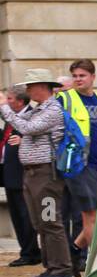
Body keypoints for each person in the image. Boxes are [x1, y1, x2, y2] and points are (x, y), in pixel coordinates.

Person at [0, 69, 74, 277]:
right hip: (33, 174)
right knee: (39, 222)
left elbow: (26, 128)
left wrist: (5, 106)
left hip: (46, 175)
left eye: (30, 86)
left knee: (50, 221)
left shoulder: (53, 110)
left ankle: (61, 270)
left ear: (42, 87)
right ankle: (51, 267)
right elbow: (21, 120)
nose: (27, 90)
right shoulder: (39, 109)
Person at [57, 59, 97, 258]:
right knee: (91, 217)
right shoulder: (65, 99)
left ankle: (73, 252)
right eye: (74, 76)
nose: (77, 79)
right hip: (80, 165)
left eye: (82, 75)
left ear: (93, 77)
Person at [2, 85, 42, 267]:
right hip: (9, 173)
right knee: (17, 215)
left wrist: (23, 140)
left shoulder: (31, 115)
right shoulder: (12, 117)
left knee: (25, 215)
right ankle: (26, 250)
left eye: (9, 99)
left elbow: (37, 137)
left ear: (20, 101)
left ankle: (30, 252)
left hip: (23, 174)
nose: (7, 102)